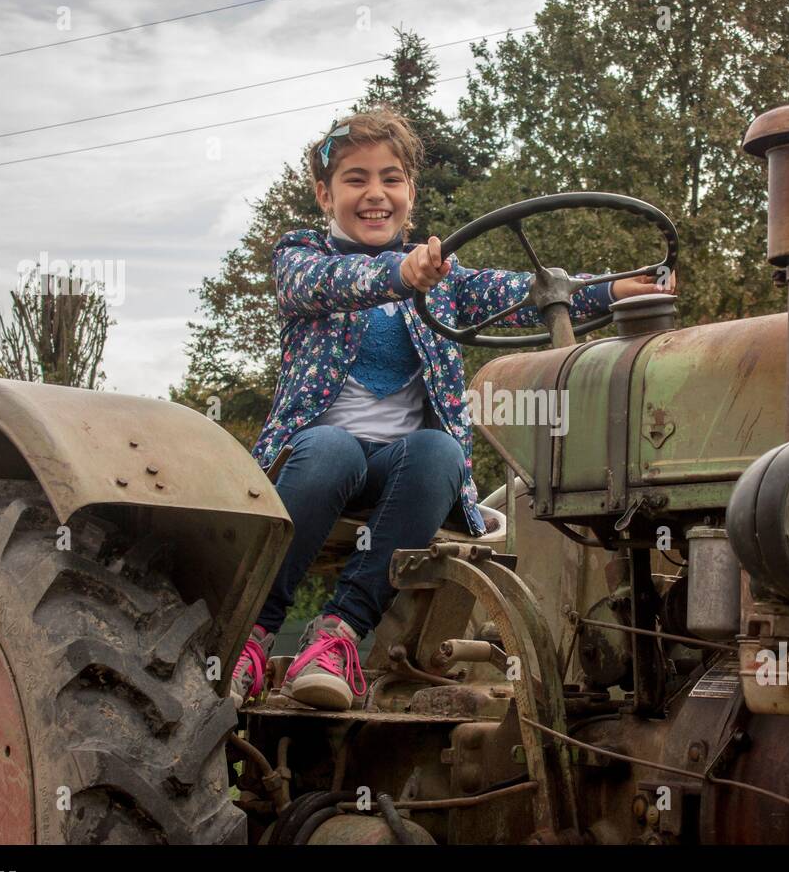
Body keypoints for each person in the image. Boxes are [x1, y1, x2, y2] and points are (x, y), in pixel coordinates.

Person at [232, 107, 674, 711]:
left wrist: (610, 289)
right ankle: (252, 637)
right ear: (324, 193)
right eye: (355, 178)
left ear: (410, 193)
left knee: (441, 451)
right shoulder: (300, 257)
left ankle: (337, 636)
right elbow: (329, 282)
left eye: (391, 178)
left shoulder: (444, 276)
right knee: (332, 450)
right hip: (315, 461)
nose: (375, 193)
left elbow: (519, 290)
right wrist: (402, 272)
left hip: (400, 473)